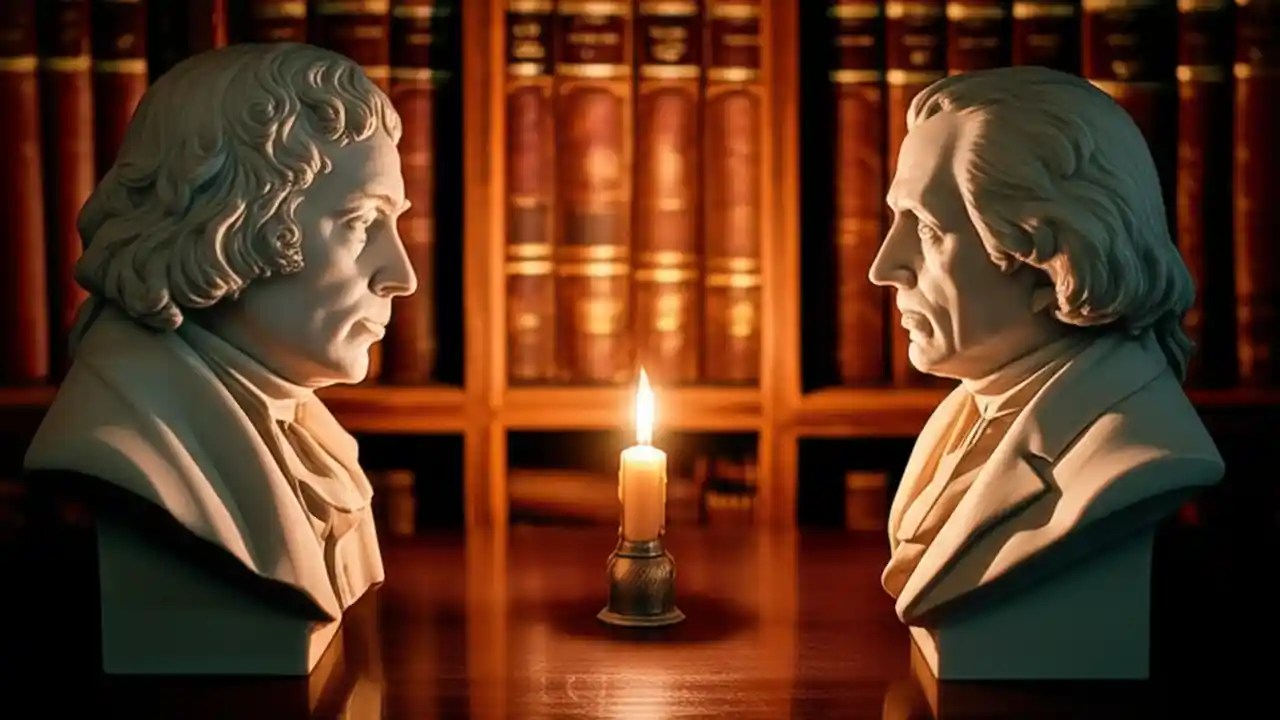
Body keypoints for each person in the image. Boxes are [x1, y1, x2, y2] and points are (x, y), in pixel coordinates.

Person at [24, 42, 416, 633]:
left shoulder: (310, 432)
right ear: (229, 221)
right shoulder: (124, 447)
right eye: (361, 222)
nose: (402, 277)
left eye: (394, 222)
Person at [868, 66, 1224, 626]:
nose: (884, 268)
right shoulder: (964, 412)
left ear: (1051, 258)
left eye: (928, 229)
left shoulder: (1137, 452)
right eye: (897, 220)